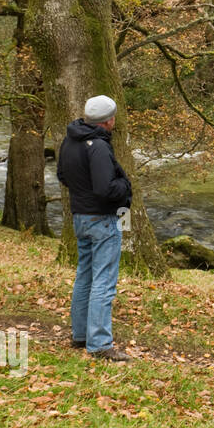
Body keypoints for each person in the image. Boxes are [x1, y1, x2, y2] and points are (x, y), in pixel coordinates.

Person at [56, 95, 132, 362]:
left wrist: (83, 193)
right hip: (102, 219)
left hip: (81, 218)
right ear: (108, 120)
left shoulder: (70, 139)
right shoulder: (98, 146)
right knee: (104, 281)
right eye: (114, 118)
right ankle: (99, 344)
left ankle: (80, 334)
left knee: (85, 276)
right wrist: (125, 188)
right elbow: (105, 188)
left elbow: (62, 176)